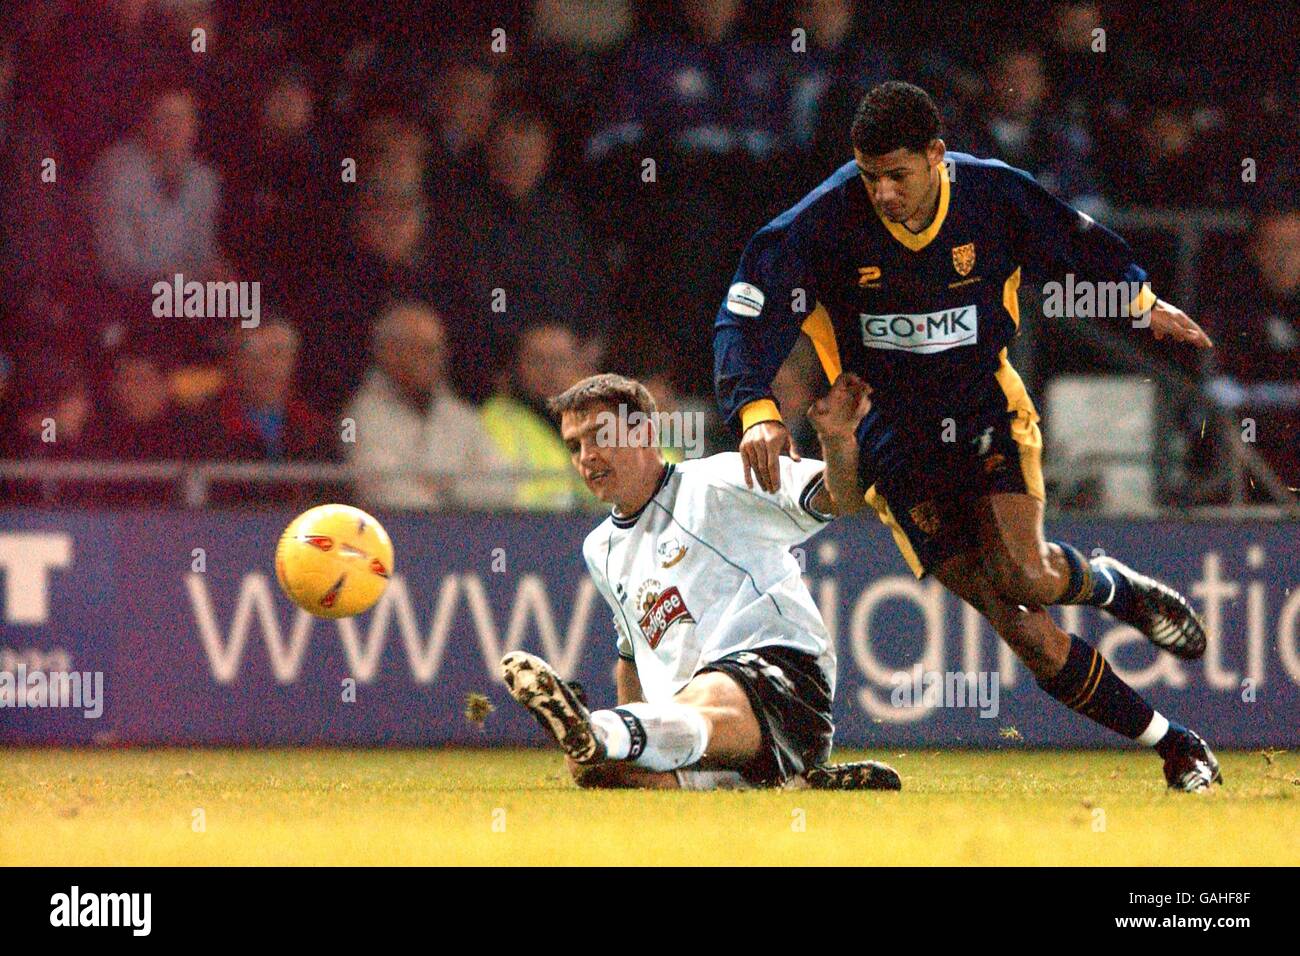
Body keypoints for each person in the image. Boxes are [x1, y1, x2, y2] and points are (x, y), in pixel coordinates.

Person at [713, 81, 1221, 791]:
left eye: (898, 175)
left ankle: (1116, 588)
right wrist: (758, 412)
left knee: (1026, 574)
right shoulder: (825, 218)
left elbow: (1072, 237)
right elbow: (742, 313)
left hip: (986, 410)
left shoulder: (992, 193)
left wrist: (1139, 298)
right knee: (1025, 634)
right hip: (893, 442)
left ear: (937, 156)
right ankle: (1178, 744)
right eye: (870, 177)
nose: (883, 193)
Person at [500, 372, 901, 791]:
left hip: (781, 679)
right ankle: (789, 781)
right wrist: (624, 739)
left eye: (600, 435)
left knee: (699, 699)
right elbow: (631, 655)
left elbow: (842, 498)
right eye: (574, 446)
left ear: (644, 432)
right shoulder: (599, 549)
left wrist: (837, 440)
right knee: (596, 771)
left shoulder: (718, 481)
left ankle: (607, 730)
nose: (587, 456)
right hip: (691, 723)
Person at [345, 301, 511, 510]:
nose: (436, 359)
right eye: (423, 350)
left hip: (467, 534)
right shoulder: (361, 418)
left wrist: (444, 489)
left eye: (438, 349)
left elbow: (504, 485)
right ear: (389, 352)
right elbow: (385, 493)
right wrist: (453, 490)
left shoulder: (458, 415)